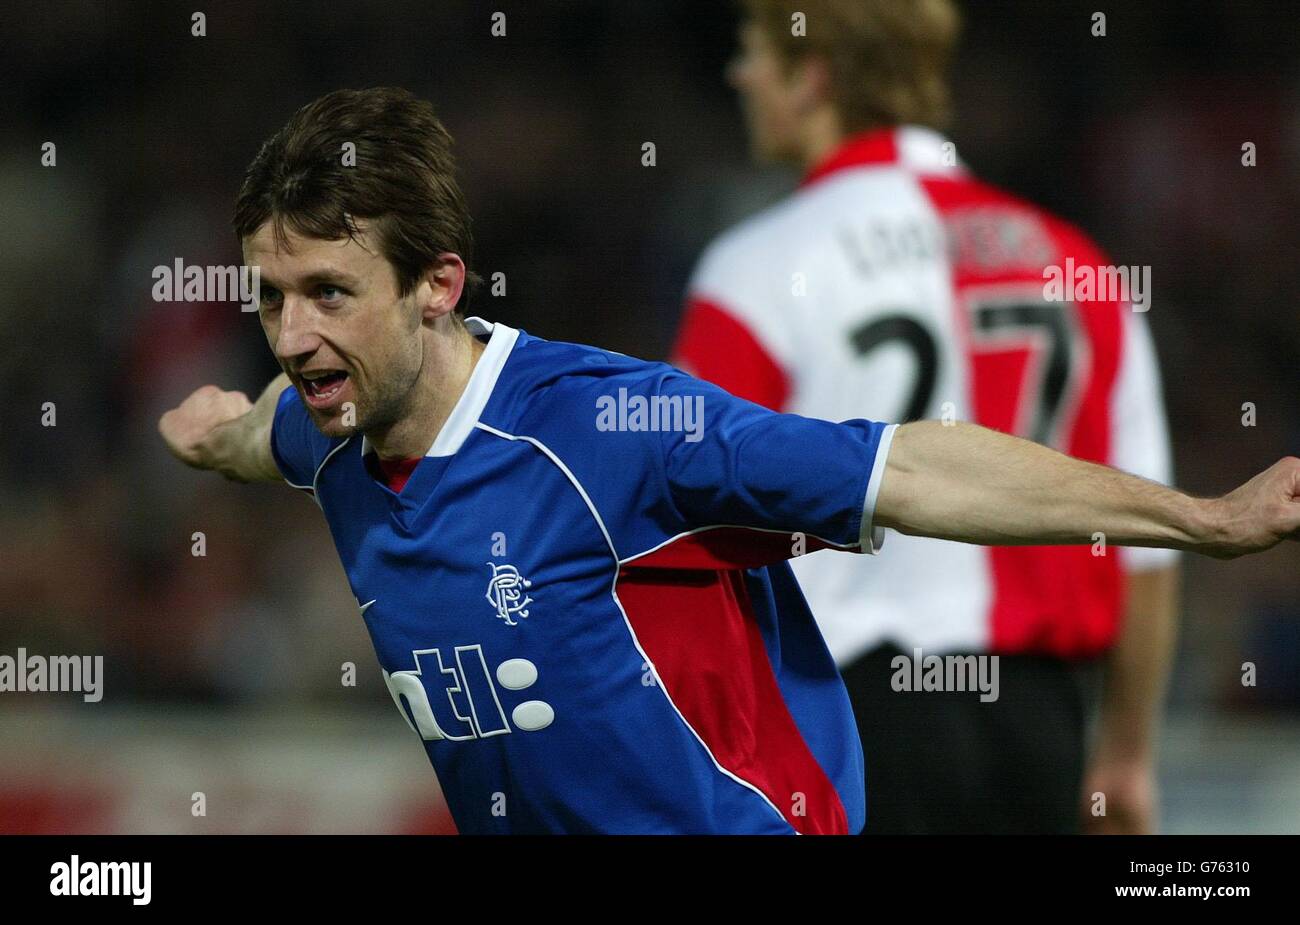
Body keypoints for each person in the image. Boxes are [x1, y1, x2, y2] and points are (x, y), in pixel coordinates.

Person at [159, 86, 1299, 835]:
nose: (295, 333)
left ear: (438, 287)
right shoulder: (329, 423)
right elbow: (276, 433)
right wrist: (223, 434)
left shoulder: (610, 434)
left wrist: (1205, 519)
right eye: (270, 297)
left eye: (329, 295)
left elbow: (911, 469)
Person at [673, 0, 1178, 833]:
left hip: (847, 724)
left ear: (812, 78)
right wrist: (1124, 754)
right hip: (1041, 727)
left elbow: (688, 522)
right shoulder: (1079, 263)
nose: (740, 75)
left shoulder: (756, 267)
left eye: (753, 52)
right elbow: (1143, 540)